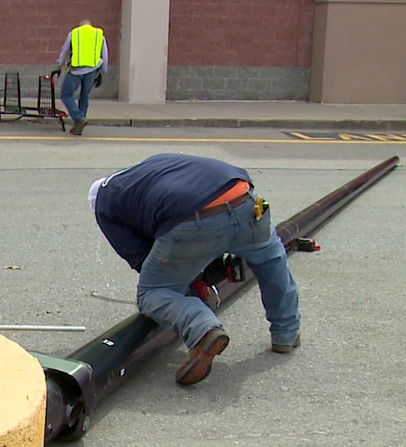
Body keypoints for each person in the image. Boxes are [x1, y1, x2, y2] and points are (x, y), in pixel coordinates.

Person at [88, 154, 301, 386]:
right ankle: (286, 333)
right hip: (246, 199)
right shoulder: (152, 168)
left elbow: (141, 257)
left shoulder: (105, 206)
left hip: (197, 220)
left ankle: (203, 329)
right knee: (271, 260)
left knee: (153, 293)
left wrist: (187, 282)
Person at [54, 19, 108, 136]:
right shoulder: (99, 34)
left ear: (80, 25)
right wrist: (102, 72)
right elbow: (105, 55)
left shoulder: (74, 33)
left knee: (66, 94)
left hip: (76, 70)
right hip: (92, 70)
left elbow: (65, 51)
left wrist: (59, 66)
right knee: (84, 97)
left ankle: (79, 119)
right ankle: (79, 126)